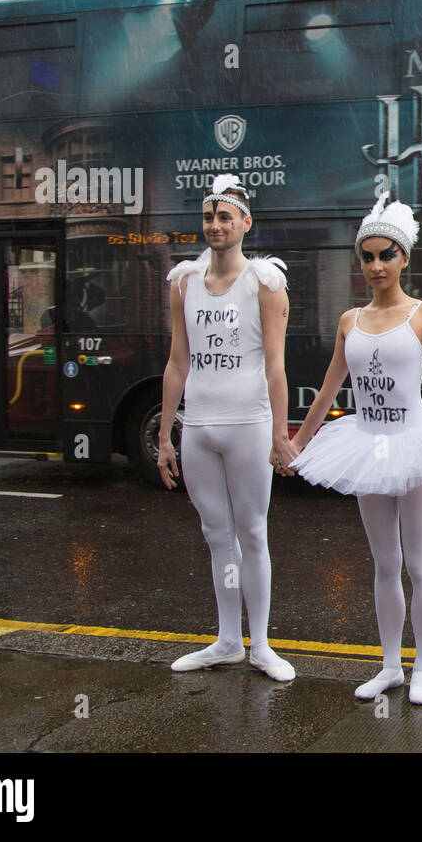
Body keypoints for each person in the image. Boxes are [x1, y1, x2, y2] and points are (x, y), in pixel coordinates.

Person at [288, 195, 422, 706]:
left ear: (404, 258)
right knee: (384, 562)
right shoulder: (350, 321)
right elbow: (327, 393)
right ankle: (390, 665)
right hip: (366, 443)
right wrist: (295, 446)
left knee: (419, 561)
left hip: (414, 442)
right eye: (367, 256)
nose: (376, 265)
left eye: (386, 255)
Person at [158, 174, 300, 682]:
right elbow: (178, 361)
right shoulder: (183, 282)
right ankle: (226, 641)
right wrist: (163, 437)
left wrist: (281, 436)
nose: (215, 226)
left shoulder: (265, 282)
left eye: (225, 217)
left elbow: (276, 366)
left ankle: (261, 644)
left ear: (245, 223)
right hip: (197, 426)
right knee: (217, 535)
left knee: (253, 533)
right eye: (208, 217)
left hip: (249, 424)